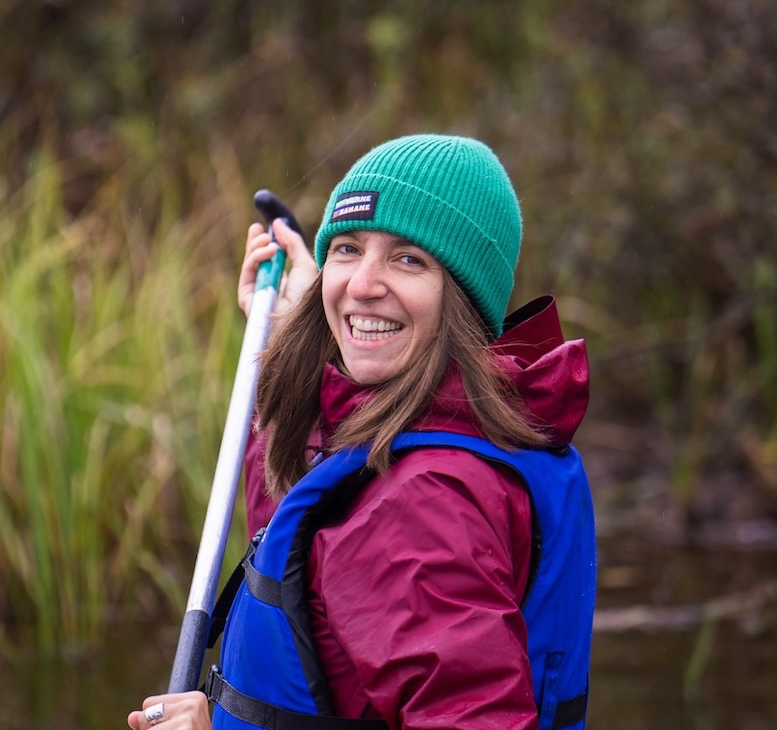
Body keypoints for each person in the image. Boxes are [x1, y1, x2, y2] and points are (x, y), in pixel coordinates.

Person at [129, 134, 596, 730]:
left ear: (464, 301)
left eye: (408, 259)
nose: (361, 284)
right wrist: (284, 334)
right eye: (347, 250)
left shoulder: (422, 504)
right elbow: (315, 547)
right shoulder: (457, 429)